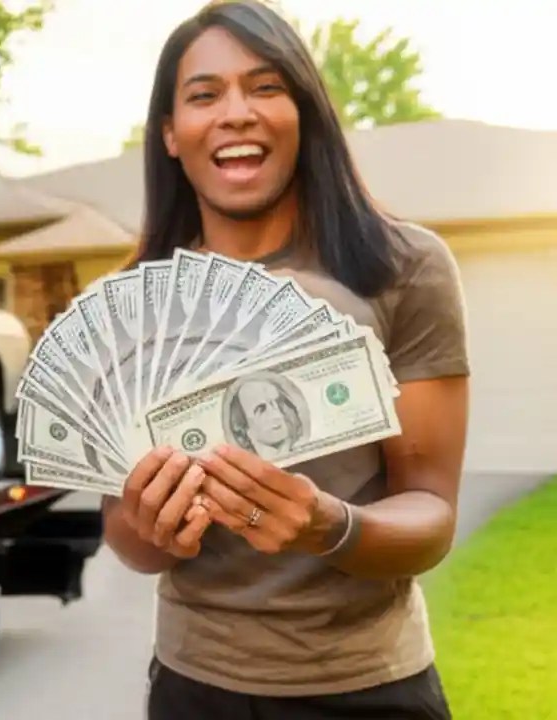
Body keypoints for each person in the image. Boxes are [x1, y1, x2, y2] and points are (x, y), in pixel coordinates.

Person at [100, 2, 470, 718]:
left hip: (369, 687)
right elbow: (124, 534)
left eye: (266, 87)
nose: (236, 111)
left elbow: (432, 512)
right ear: (172, 135)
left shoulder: (404, 268)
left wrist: (331, 526)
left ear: (304, 113)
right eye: (204, 95)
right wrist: (151, 528)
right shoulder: (131, 304)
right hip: (192, 686)